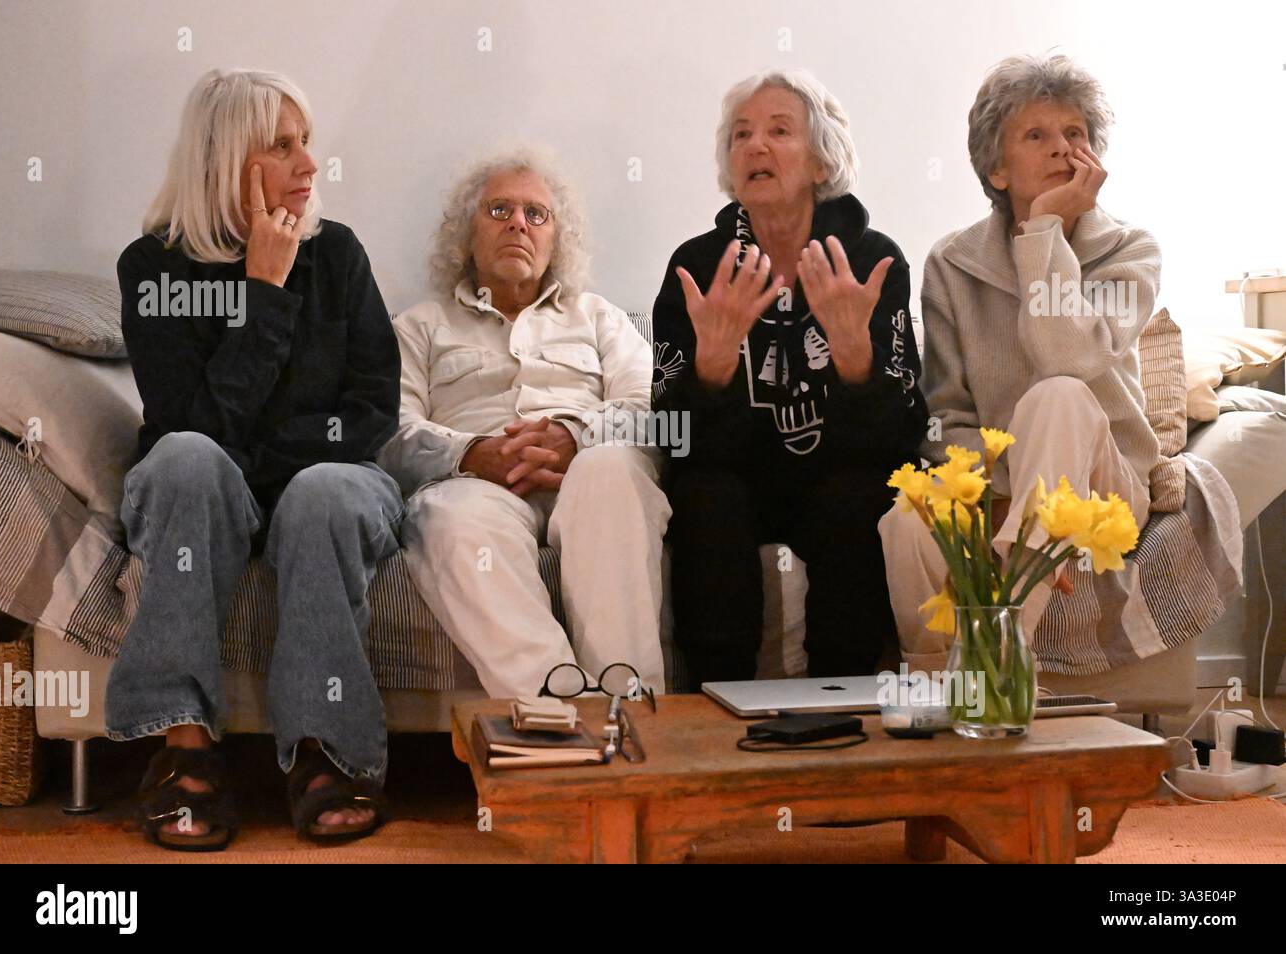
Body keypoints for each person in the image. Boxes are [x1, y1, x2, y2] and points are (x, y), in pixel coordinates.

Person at [107, 68, 402, 849]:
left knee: (321, 492)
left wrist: (275, 457)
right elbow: (191, 426)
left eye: (308, 143)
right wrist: (262, 293)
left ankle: (324, 752)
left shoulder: (337, 255)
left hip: (332, 484)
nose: (310, 165)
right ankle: (184, 753)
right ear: (225, 159)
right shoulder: (153, 270)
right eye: (282, 146)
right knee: (184, 461)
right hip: (209, 485)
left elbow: (372, 410)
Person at [880, 54, 1161, 672]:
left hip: (1105, 489)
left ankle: (1002, 655)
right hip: (991, 490)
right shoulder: (952, 263)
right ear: (997, 168)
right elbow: (947, 415)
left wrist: (1043, 234)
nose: (1063, 150)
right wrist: (1002, 496)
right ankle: (934, 688)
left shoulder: (1131, 250)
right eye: (1037, 135)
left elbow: (1068, 356)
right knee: (906, 521)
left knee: (1055, 394)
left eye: (1076, 135)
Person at [652, 68, 927, 684]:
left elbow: (900, 440)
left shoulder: (870, 259)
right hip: (734, 477)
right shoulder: (697, 266)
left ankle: (842, 701)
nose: (756, 146)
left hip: (836, 473)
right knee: (705, 496)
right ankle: (715, 709)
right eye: (742, 135)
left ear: (822, 161)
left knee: (856, 497)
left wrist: (855, 353)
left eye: (780, 131)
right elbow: (671, 437)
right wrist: (714, 364)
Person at [379, 149, 669, 700]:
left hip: (586, 473)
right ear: (467, 234)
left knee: (610, 471)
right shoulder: (420, 327)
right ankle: (562, 707)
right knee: (447, 514)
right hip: (478, 487)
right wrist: (472, 453)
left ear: (557, 239)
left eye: (537, 214)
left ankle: (629, 705)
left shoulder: (600, 318)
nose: (518, 222)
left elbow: (648, 410)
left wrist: (574, 437)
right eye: (499, 210)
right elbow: (392, 433)